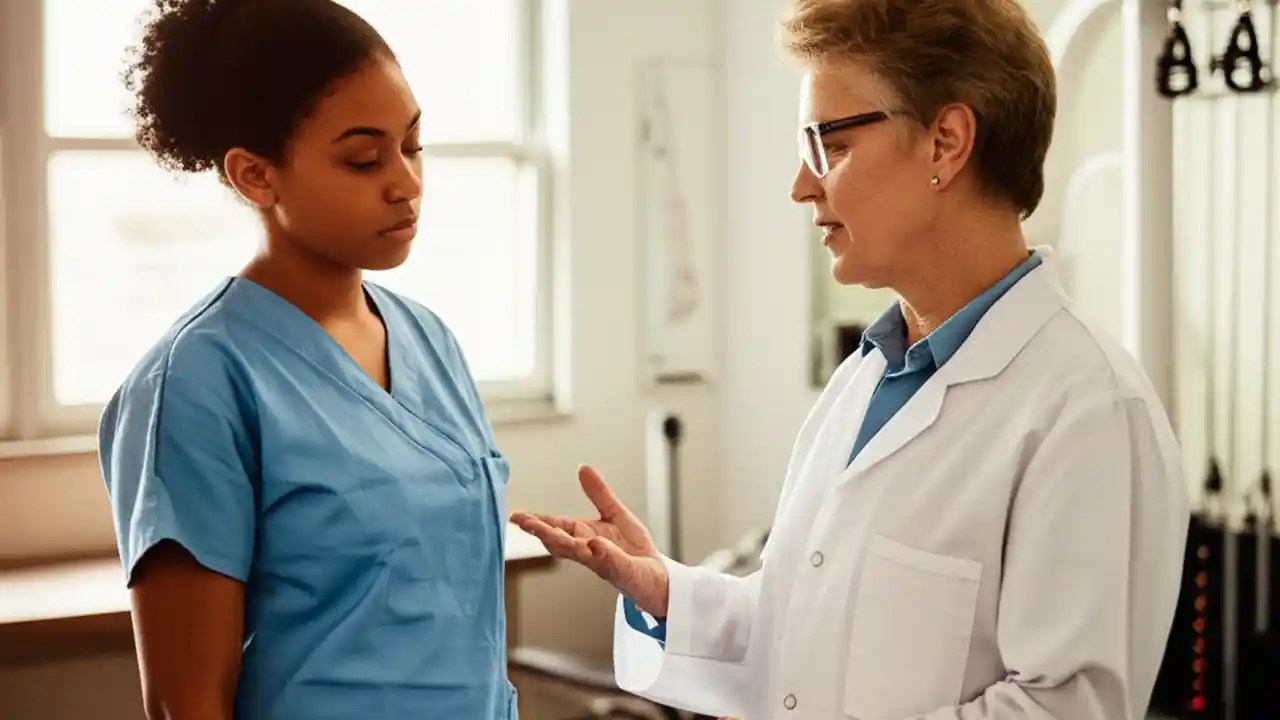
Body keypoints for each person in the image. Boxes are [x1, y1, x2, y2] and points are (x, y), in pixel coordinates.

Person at [511, 0, 1191, 717]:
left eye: (827, 145)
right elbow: (803, 630)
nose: (802, 185)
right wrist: (667, 592)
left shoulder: (1086, 411)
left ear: (946, 142)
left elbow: (1062, 709)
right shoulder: (871, 376)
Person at [97, 1, 516, 718]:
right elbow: (185, 703)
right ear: (257, 176)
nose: (406, 182)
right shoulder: (199, 383)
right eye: (363, 158)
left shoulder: (432, 341)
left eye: (413, 146)